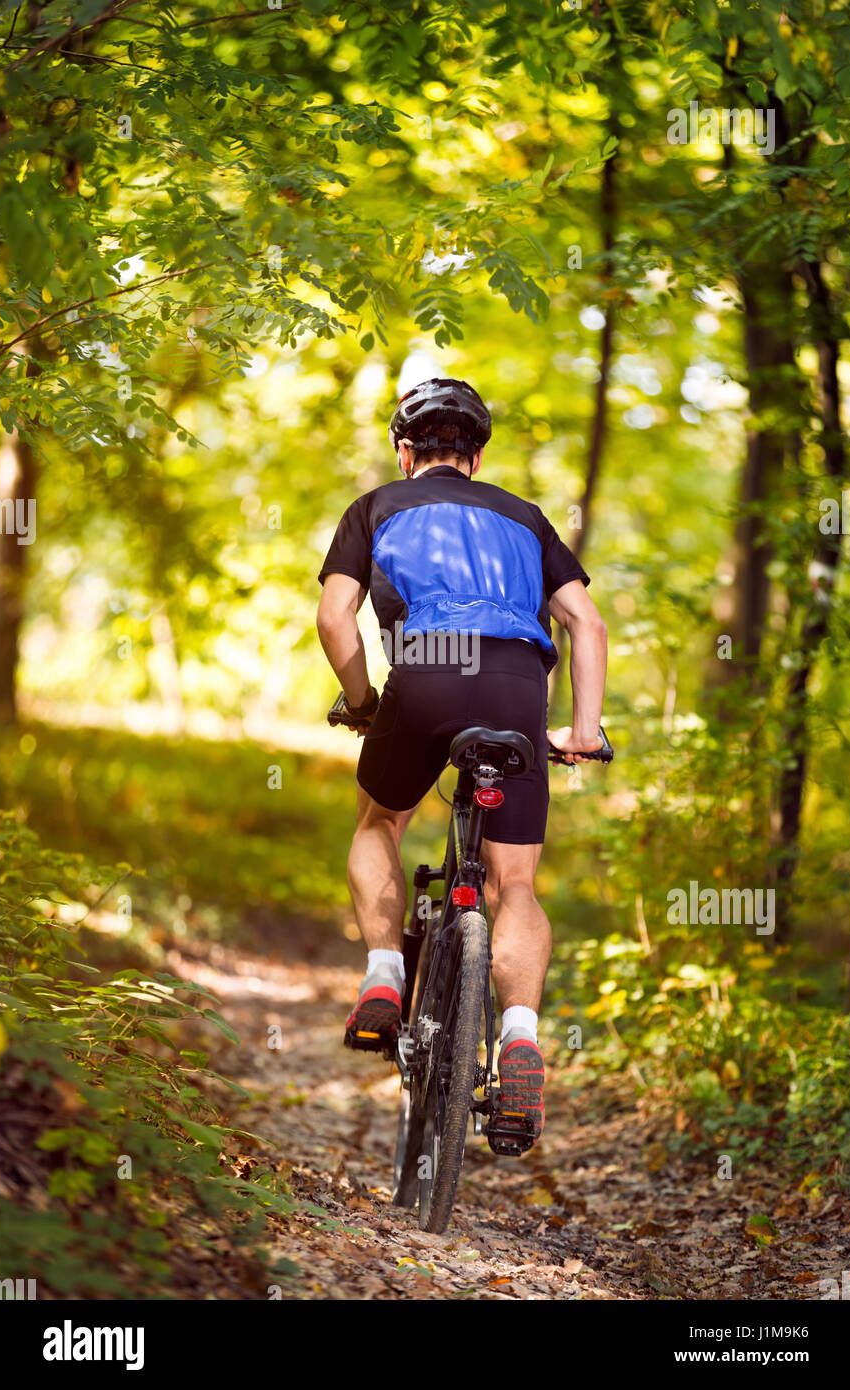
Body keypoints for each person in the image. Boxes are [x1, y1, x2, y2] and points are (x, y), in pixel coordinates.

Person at [316, 377, 607, 1151]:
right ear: (478, 455)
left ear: (403, 451)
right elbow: (585, 621)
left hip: (423, 672)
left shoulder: (374, 506)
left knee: (380, 821)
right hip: (517, 687)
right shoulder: (526, 517)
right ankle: (518, 1036)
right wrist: (580, 729)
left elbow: (333, 614)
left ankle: (384, 974)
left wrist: (364, 700)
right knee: (515, 882)